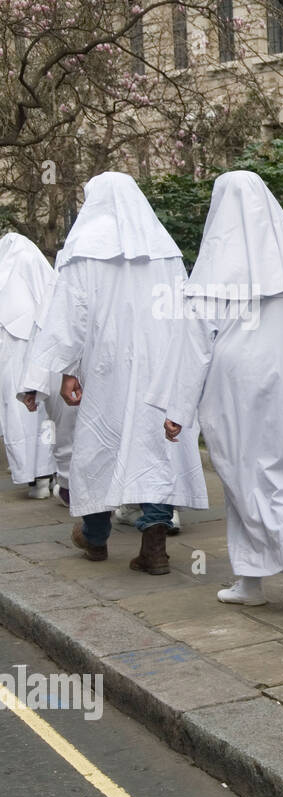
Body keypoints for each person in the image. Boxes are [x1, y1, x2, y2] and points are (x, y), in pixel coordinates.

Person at [150, 171, 283, 619]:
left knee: (244, 478)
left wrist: (178, 409)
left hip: (235, 383)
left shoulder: (215, 268)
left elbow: (195, 346)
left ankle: (267, 575)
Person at [21, 172, 207, 569]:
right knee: (156, 449)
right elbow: (184, 315)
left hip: (104, 368)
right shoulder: (164, 249)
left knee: (97, 448)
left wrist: (68, 371)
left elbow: (70, 316)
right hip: (159, 366)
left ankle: (95, 537)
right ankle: (154, 545)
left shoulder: (83, 249)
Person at [0, 233, 58, 497]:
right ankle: (47, 475)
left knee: (20, 415)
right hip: (38, 352)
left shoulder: (11, 272)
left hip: (15, 355)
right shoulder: (36, 267)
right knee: (43, 415)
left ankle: (36, 478)